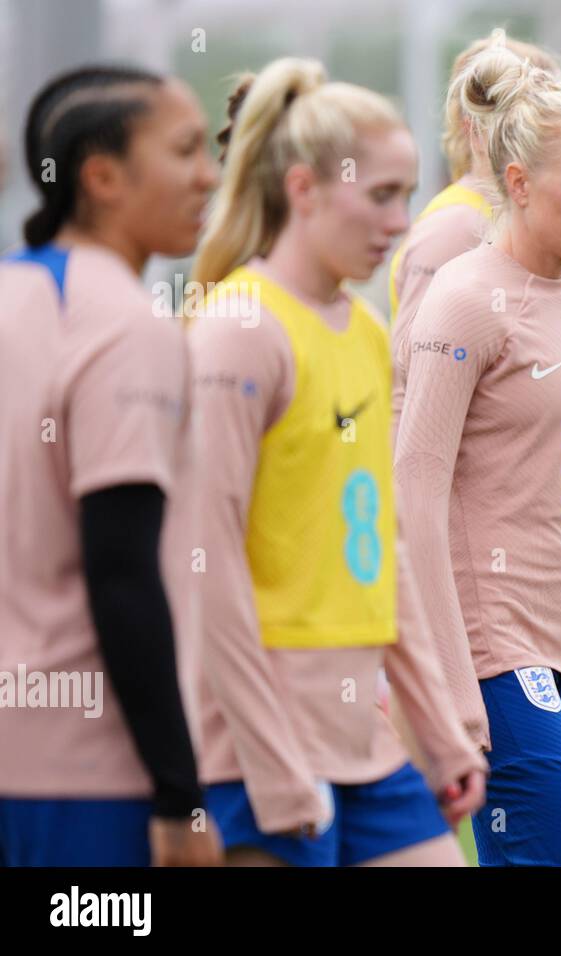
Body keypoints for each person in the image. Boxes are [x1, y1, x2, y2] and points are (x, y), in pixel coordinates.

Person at [188, 57, 486, 866]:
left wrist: (440, 727)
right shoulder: (240, 327)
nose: (401, 221)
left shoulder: (364, 330)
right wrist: (274, 766)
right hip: (261, 751)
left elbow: (379, 553)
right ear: (303, 189)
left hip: (364, 742)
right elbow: (202, 562)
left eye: (408, 195)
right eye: (382, 195)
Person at [394, 45, 561, 867]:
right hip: (494, 651)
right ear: (519, 181)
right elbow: (414, 494)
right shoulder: (464, 296)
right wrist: (452, 679)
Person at [0, 65, 220, 866]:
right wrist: (179, 798)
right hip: (87, 774)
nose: (210, 174)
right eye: (186, 149)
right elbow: (122, 571)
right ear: (101, 176)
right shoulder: (128, 328)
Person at [388, 28, 561, 442]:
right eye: (539, 112)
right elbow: (413, 386)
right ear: (475, 123)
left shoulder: (504, 214)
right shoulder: (457, 227)